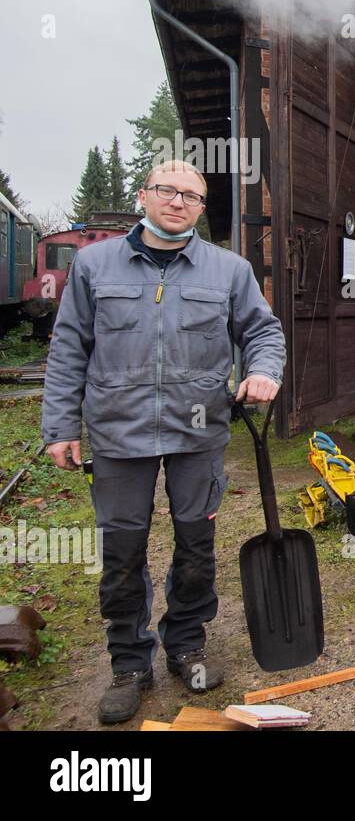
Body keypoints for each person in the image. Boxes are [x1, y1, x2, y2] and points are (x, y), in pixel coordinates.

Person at [41, 160, 286, 724]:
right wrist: (60, 427)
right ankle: (129, 664)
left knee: (196, 544)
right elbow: (69, 347)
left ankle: (186, 644)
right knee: (122, 554)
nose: (178, 202)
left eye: (192, 196)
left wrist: (263, 369)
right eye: (167, 191)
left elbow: (262, 330)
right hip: (117, 433)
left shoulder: (228, 270)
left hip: (197, 431)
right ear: (143, 196)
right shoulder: (94, 265)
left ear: (202, 209)